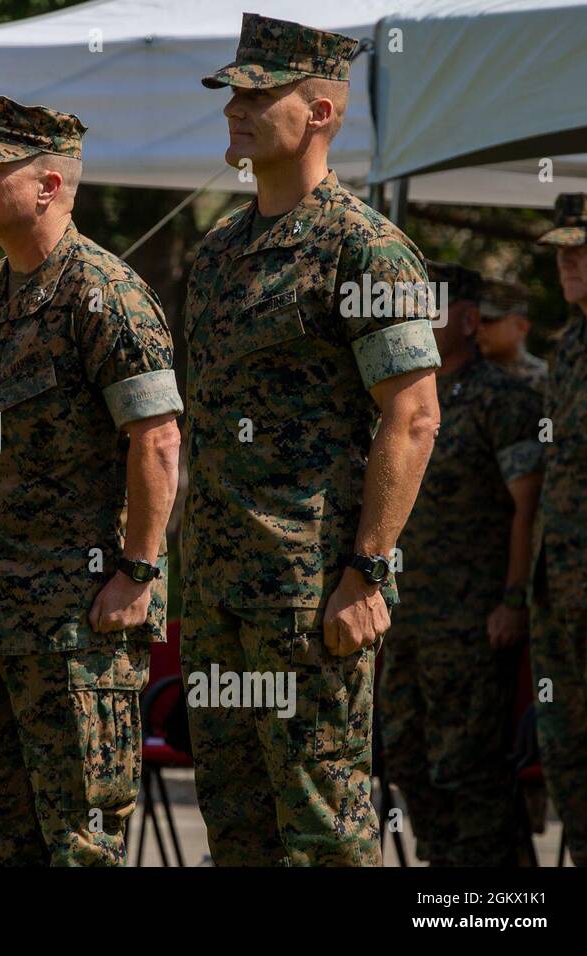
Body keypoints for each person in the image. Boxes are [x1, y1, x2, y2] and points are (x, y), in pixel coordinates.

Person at [183, 14, 441, 866]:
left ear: (322, 111)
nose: (238, 107)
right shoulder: (220, 250)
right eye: (234, 92)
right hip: (218, 589)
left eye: (260, 93)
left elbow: (414, 414)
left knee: (322, 830)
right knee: (237, 827)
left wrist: (368, 568)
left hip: (308, 594)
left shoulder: (363, 249)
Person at [0, 95, 183, 866]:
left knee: (81, 842)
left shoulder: (105, 295)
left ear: (48, 186)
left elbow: (156, 439)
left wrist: (137, 573)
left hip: (75, 622)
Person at [380, 261, 543, 866]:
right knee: (409, 761)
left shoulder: (505, 398)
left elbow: (527, 509)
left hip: (473, 622)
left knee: (469, 770)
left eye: (433, 305)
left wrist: (514, 599)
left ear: (470, 320)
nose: (418, 314)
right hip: (409, 622)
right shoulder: (402, 397)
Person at [531, 192, 587, 866]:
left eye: (582, 249)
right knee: (569, 758)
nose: (567, 262)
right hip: (560, 585)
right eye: (561, 252)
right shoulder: (570, 345)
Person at [478, 278, 548, 394]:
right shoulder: (458, 376)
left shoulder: (544, 380)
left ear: (521, 327)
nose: (478, 328)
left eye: (488, 320)